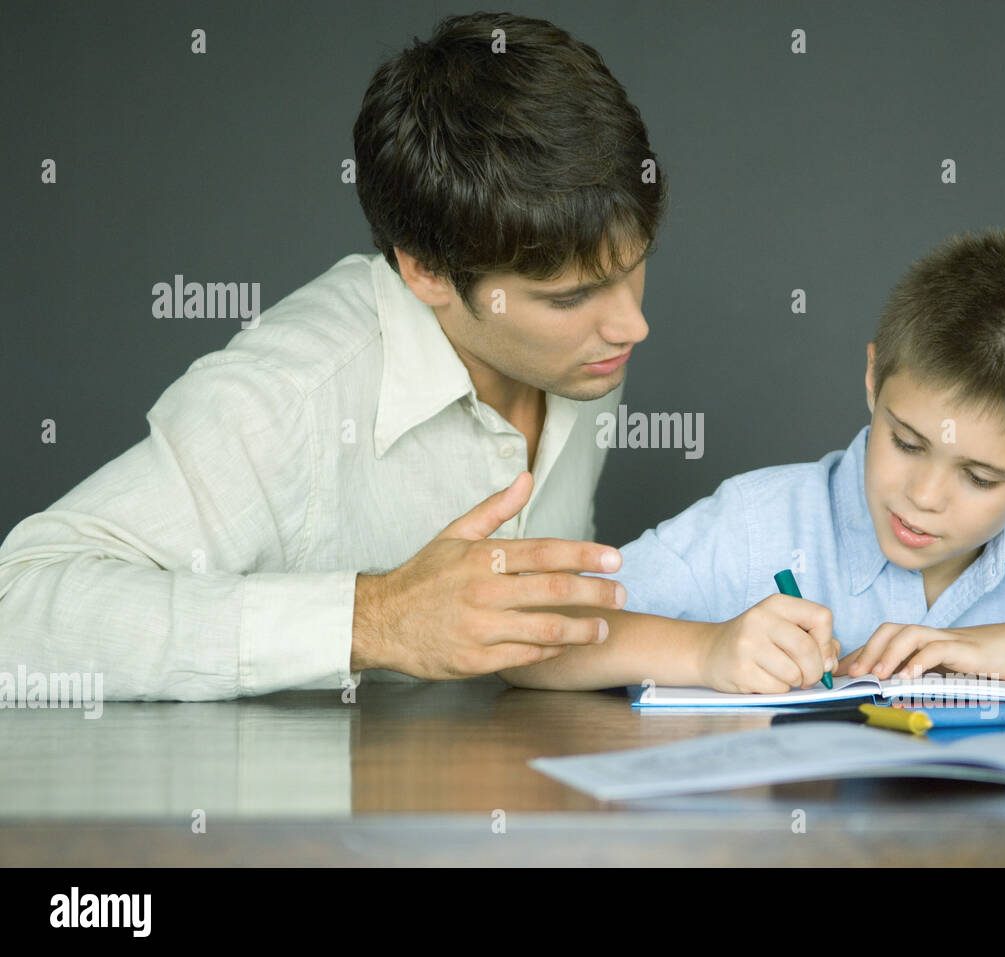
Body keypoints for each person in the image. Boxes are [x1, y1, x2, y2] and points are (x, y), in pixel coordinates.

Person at [0, 12, 664, 700]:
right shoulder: (287, 399)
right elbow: (15, 608)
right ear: (427, 272)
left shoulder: (587, 356)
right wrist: (374, 618)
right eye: (568, 297)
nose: (631, 325)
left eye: (635, 266)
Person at [499, 228, 1005, 696]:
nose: (921, 496)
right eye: (906, 441)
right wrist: (704, 651)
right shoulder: (760, 519)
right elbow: (532, 643)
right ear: (874, 377)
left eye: (981, 477)